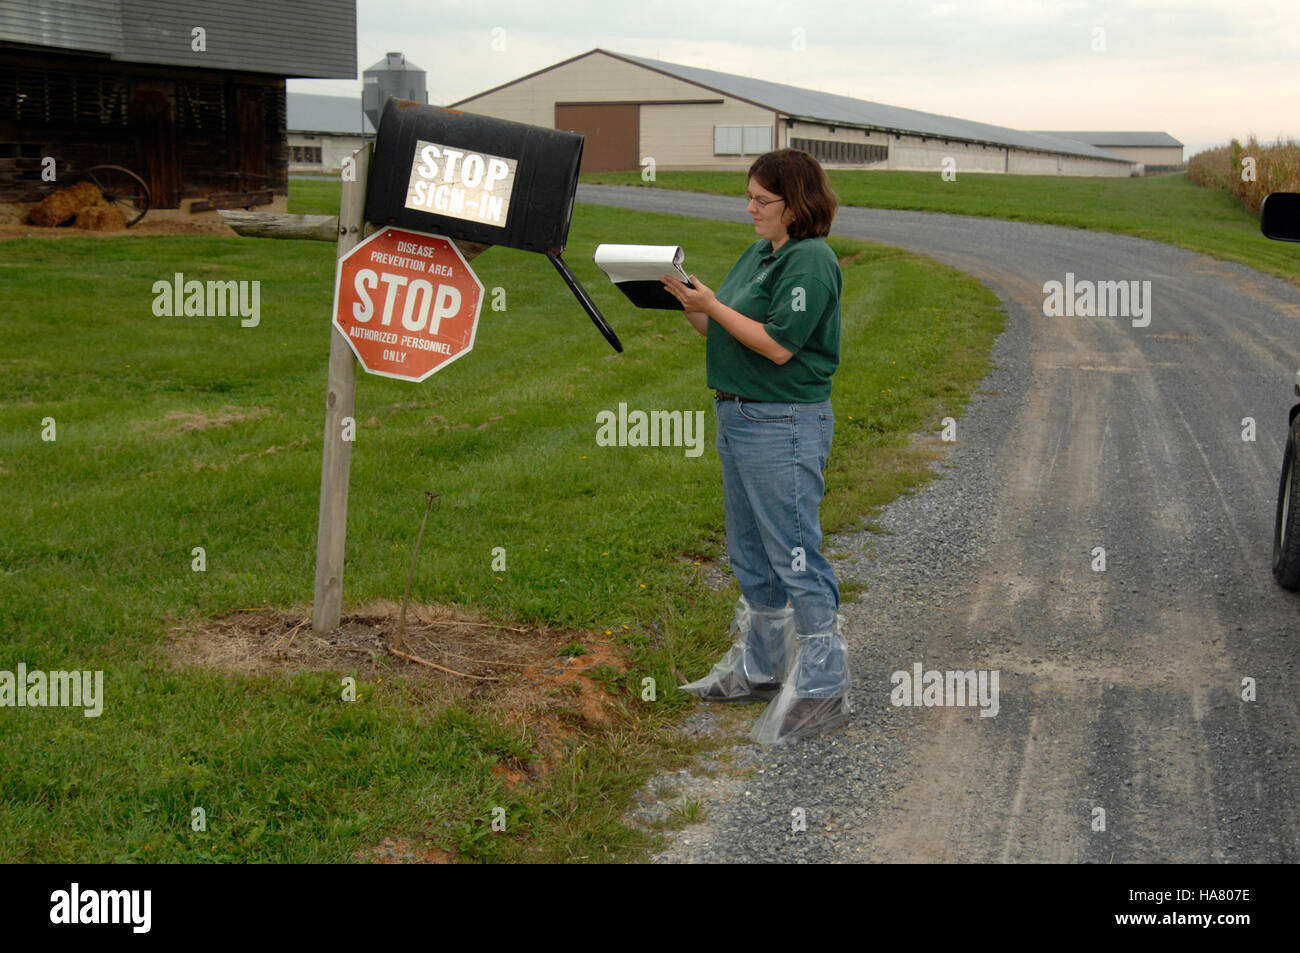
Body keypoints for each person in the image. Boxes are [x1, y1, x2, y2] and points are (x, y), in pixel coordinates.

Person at [661, 148, 851, 744]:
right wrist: (693, 303)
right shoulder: (759, 253)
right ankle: (762, 668)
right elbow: (720, 328)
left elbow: (777, 347)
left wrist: (714, 304)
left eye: (761, 201)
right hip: (738, 415)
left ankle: (823, 687)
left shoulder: (811, 261)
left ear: (797, 204)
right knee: (749, 550)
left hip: (782, 421)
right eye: (748, 197)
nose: (750, 209)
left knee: (794, 551)